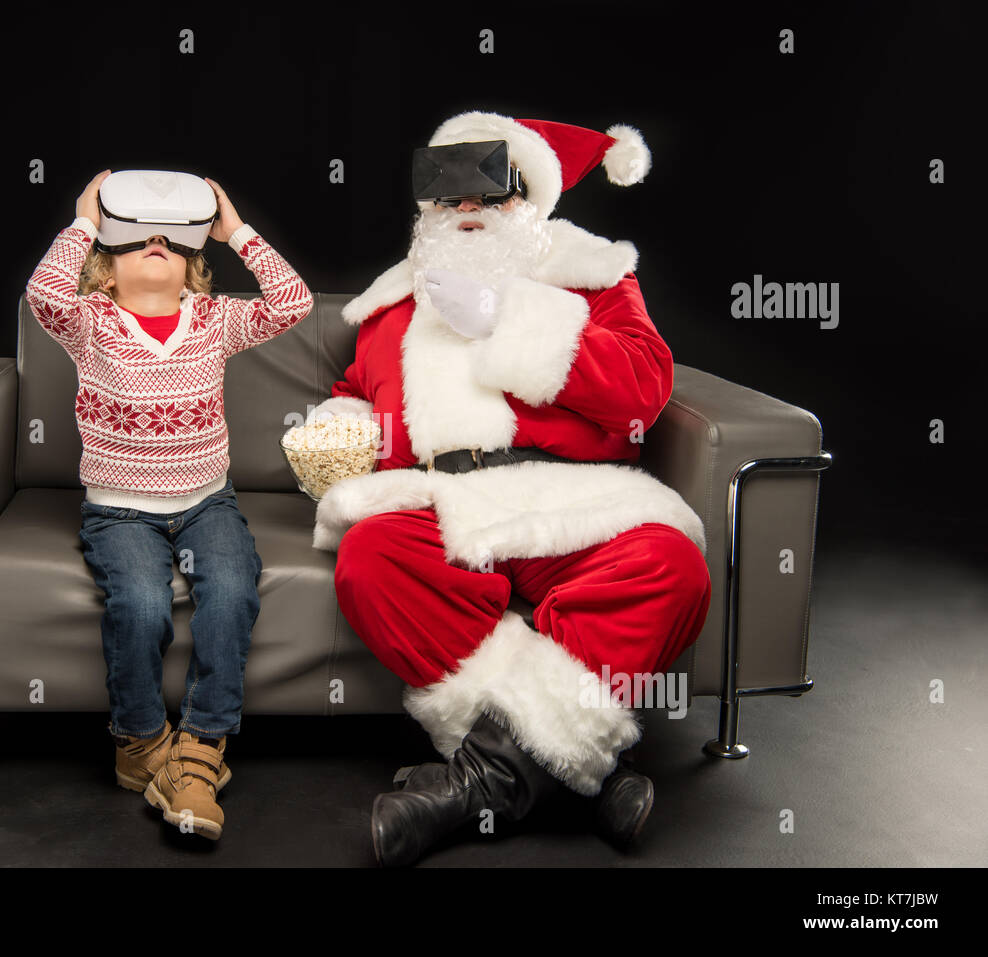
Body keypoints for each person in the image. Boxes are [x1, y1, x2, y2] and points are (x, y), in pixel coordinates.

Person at [304, 111, 713, 865]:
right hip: (443, 503)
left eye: (490, 190)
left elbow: (643, 389)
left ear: (530, 201)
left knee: (671, 565)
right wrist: (334, 427)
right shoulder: (394, 300)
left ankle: (477, 782)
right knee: (370, 558)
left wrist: (508, 320)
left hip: (571, 501)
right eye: (448, 190)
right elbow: (358, 390)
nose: (467, 208)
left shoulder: (593, 274)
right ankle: (584, 777)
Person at [25, 170, 313, 841]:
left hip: (206, 504)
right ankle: (141, 744)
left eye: (169, 240)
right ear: (106, 266)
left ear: (191, 263)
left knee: (234, 589)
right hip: (120, 510)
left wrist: (236, 228)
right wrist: (84, 220)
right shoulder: (90, 323)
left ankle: (201, 747)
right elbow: (42, 294)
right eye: (136, 240)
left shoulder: (215, 320)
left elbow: (291, 302)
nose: (155, 243)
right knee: (141, 603)